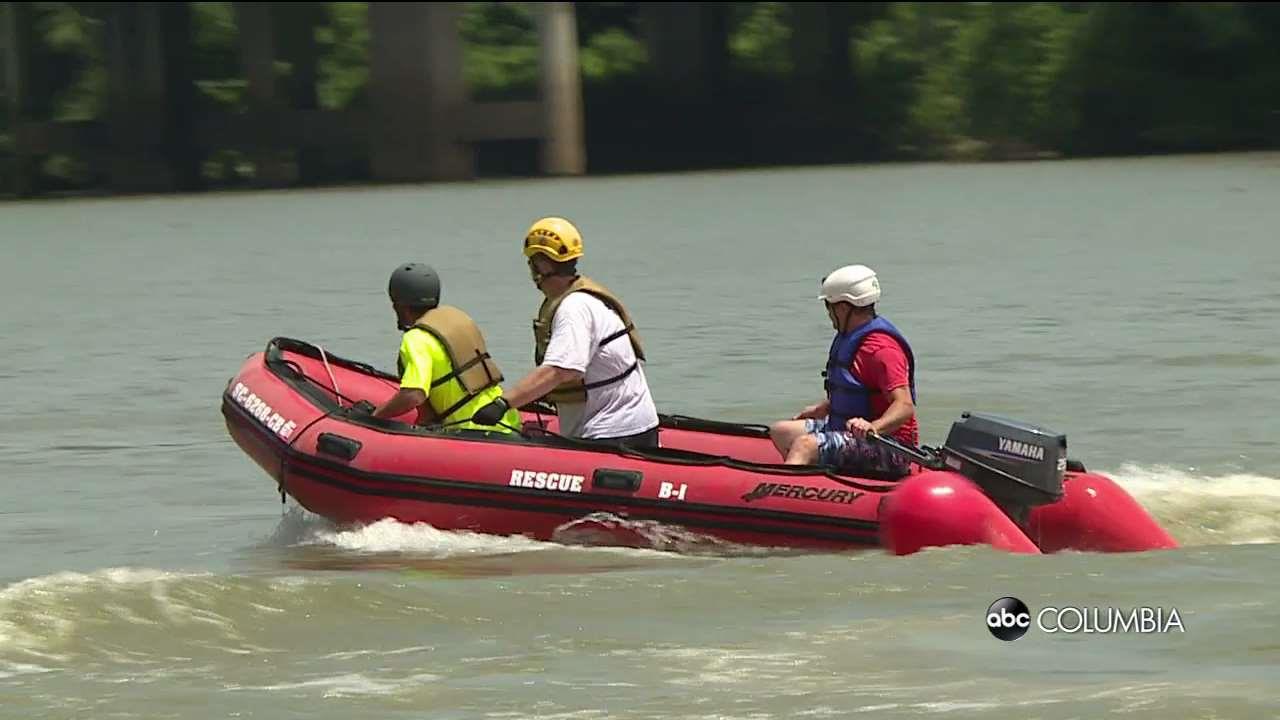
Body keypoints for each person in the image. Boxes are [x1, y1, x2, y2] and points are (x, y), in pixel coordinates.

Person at [471, 217, 660, 447]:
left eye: (532, 263)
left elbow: (561, 369)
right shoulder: (583, 297)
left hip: (612, 431)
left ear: (542, 266)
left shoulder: (574, 308)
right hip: (632, 424)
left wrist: (504, 403)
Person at [768, 264, 919, 478]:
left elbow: (904, 406)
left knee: (805, 445)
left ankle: (786, 491)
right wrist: (825, 407)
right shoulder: (852, 337)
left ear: (843, 308)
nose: (828, 314)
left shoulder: (881, 350)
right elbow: (860, 393)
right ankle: (818, 485)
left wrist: (874, 427)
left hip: (890, 446)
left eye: (829, 306)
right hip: (848, 431)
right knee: (781, 431)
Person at [368, 263, 522, 434]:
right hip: (508, 421)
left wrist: (375, 416)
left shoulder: (416, 339)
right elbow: (427, 413)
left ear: (399, 305)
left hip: (473, 430)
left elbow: (414, 395)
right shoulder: (457, 320)